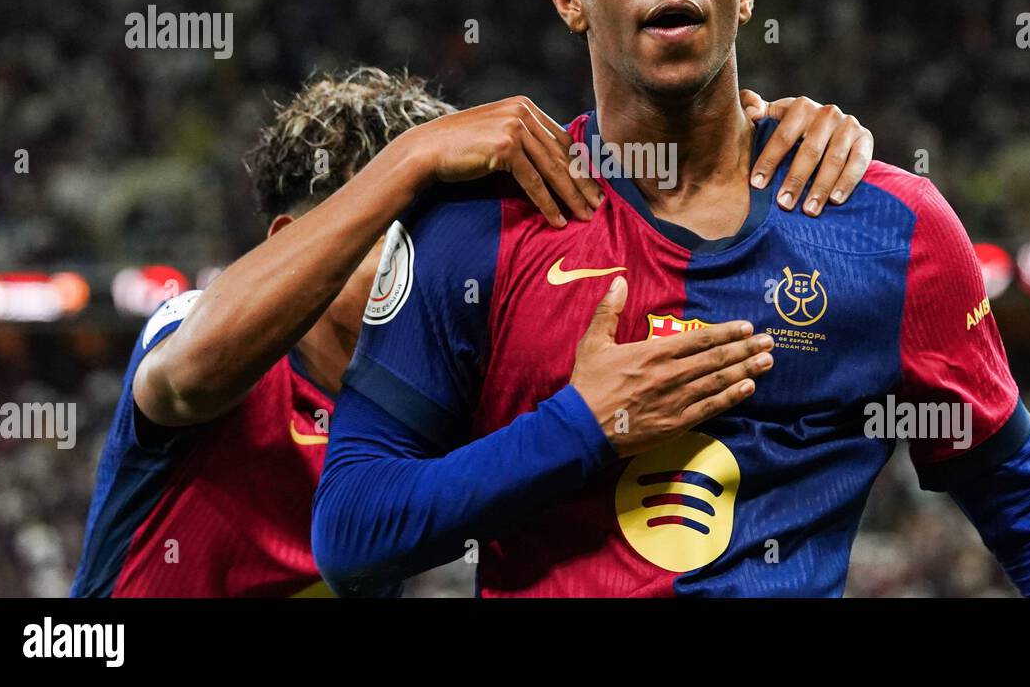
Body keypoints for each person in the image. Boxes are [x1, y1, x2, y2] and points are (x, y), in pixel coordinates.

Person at [312, 0, 1030, 598]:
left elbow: (1028, 507)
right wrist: (581, 427)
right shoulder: (476, 224)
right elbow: (353, 536)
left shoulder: (892, 228)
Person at [72, 65, 875, 596]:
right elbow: (189, 375)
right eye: (396, 238)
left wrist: (758, 142)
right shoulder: (198, 331)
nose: (427, 268)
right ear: (294, 242)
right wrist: (411, 160)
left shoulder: (445, 395)